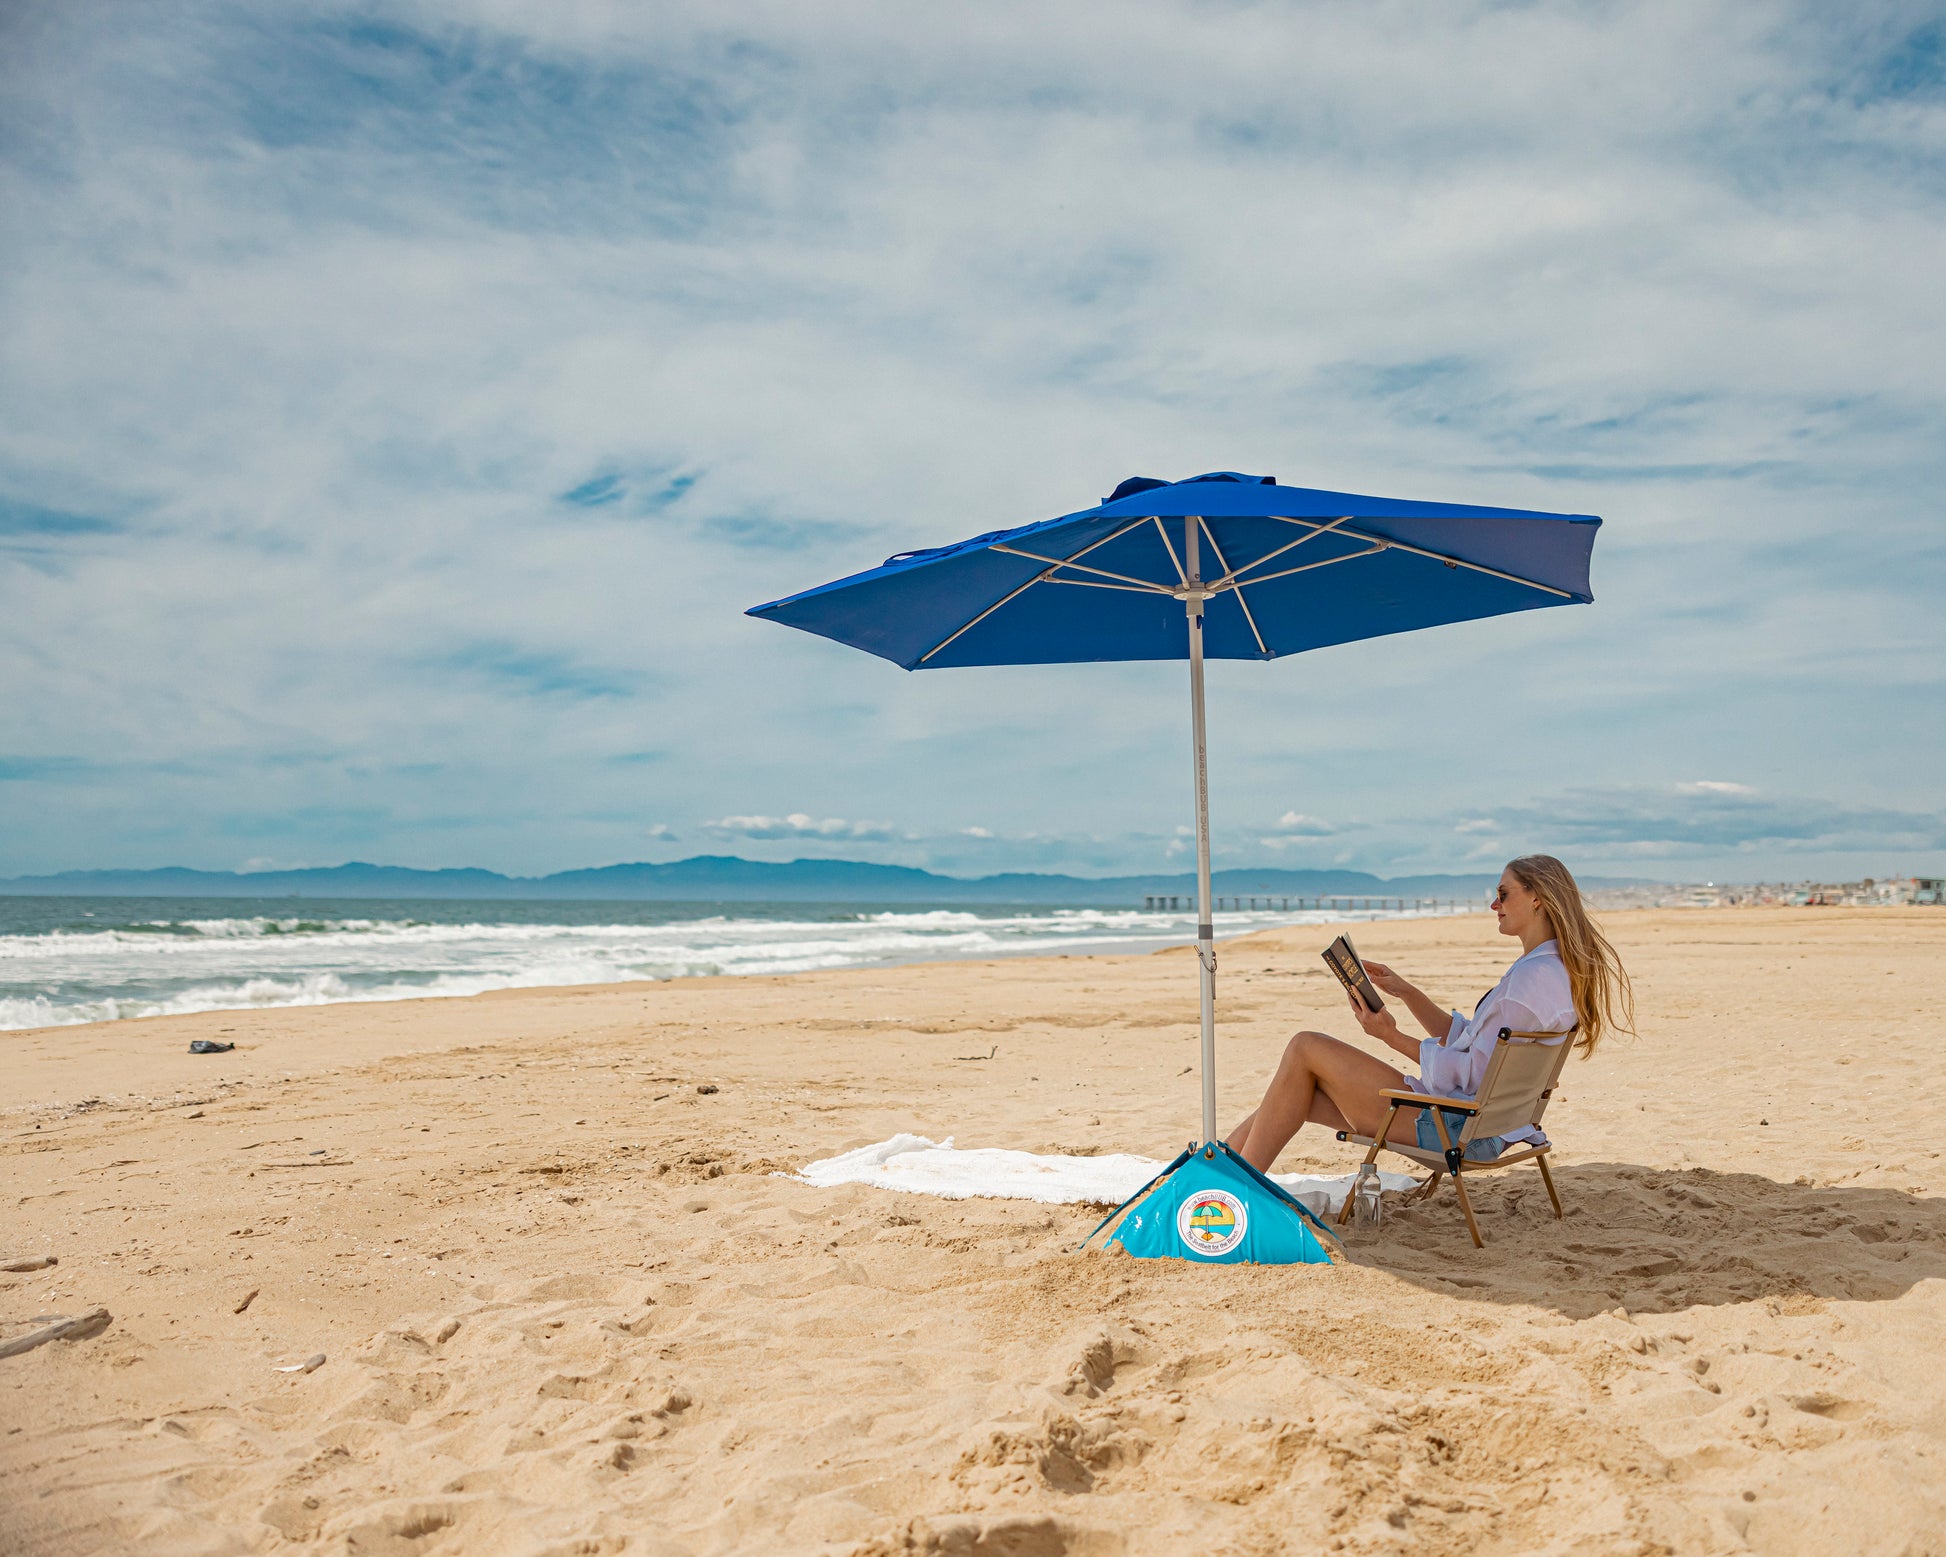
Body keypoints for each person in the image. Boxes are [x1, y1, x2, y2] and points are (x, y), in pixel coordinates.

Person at [1228, 854, 1632, 1173]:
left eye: (1503, 894)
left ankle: (1231, 1191)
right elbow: (1476, 1043)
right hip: (1497, 1126)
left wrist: (1389, 1036)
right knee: (1298, 1095)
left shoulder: (1527, 984)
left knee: (1305, 1047)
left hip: (1457, 1131)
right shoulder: (1553, 973)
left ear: (1537, 898)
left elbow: (1473, 1074)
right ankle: (1215, 1176)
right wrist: (1407, 992)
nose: (1494, 904)